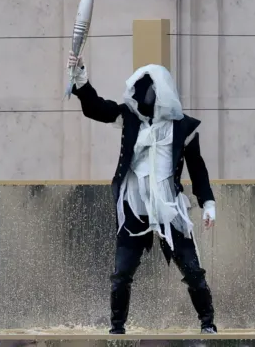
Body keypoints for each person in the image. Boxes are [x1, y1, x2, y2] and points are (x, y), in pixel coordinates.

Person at [67, 52, 218, 335]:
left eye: (148, 92)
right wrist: (80, 76)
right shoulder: (129, 117)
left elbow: (197, 169)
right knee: (122, 273)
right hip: (134, 205)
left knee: (193, 270)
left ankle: (208, 323)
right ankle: (117, 328)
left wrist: (207, 202)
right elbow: (96, 108)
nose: (142, 97)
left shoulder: (183, 127)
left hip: (169, 207)